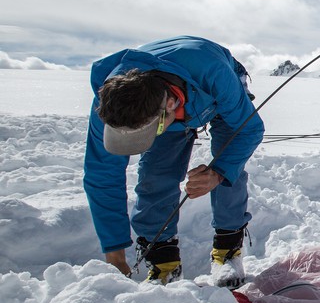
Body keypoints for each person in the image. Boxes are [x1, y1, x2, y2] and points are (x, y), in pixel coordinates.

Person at [84, 36, 264, 288]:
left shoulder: (215, 74)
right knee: (156, 174)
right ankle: (163, 261)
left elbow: (250, 130)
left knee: (229, 161)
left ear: (170, 105)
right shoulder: (111, 104)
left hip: (211, 94)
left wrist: (218, 173)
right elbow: (101, 174)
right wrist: (114, 253)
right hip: (171, 100)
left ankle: (227, 249)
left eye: (147, 132)